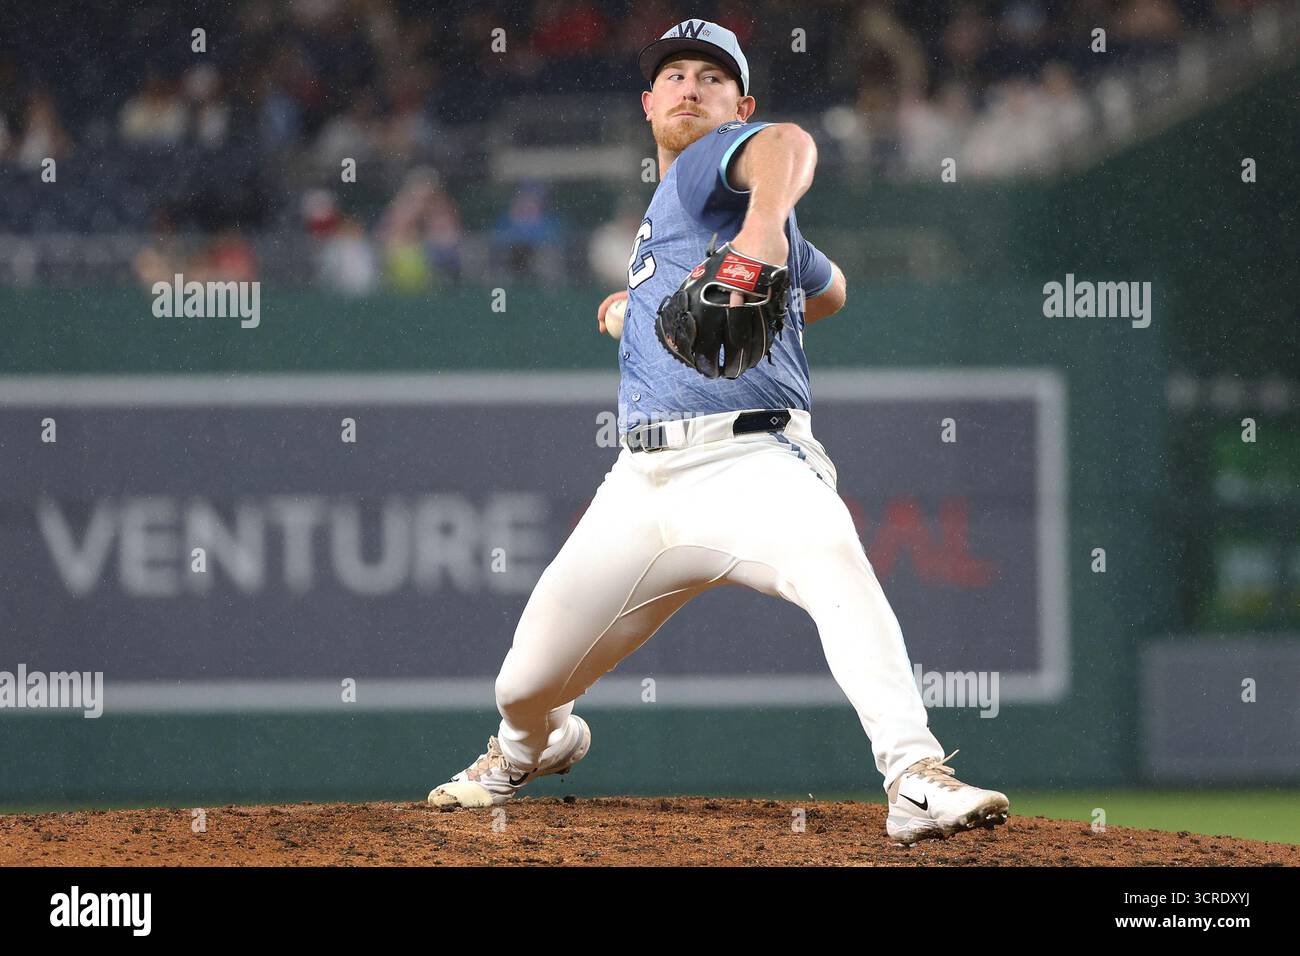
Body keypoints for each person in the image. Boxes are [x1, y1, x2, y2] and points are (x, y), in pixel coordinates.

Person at [427, 19, 1009, 846]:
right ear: (646, 102)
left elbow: (791, 143)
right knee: (523, 682)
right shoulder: (670, 213)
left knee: (835, 569)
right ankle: (535, 745)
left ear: (740, 104)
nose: (691, 87)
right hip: (640, 486)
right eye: (674, 76)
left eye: (711, 76)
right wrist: (660, 301)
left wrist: (764, 229)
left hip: (753, 463)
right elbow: (832, 290)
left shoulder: (723, 169)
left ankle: (914, 776)